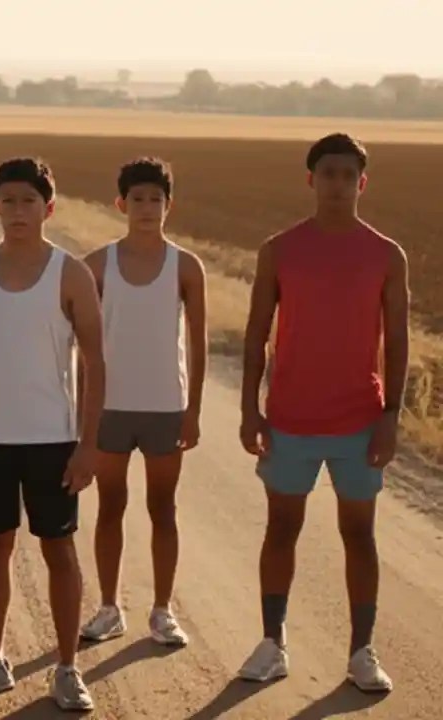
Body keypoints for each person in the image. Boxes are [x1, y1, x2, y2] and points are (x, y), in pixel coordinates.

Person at [237, 133, 404, 693]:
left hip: (360, 419)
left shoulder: (386, 253)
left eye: (346, 174)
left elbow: (398, 343)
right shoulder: (280, 249)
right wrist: (249, 410)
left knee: (360, 535)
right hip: (289, 419)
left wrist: (391, 416)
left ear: (363, 181)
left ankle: (362, 652)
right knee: (281, 527)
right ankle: (271, 643)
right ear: (311, 180)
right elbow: (258, 332)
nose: (337, 183)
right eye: (326, 173)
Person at [0, 157, 101, 711]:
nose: (18, 211)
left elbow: (97, 364)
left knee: (59, 550)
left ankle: (67, 667)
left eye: (29, 201)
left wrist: (88, 444)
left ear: (48, 208)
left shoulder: (70, 273)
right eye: (8, 201)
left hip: (53, 440)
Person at [78, 157, 207, 648]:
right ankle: (109, 608)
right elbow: (79, 344)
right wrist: (80, 415)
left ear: (169, 205)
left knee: (163, 507)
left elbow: (196, 345)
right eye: (137, 199)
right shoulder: (97, 265)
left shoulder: (186, 267)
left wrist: (193, 411)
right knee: (110, 506)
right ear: (121, 204)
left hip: (165, 407)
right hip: (110, 408)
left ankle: (162, 610)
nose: (147, 208)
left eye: (156, 199)